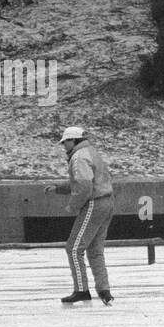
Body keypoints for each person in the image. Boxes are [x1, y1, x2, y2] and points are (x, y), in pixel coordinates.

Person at [44, 126, 115, 305]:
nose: (64, 146)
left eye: (65, 142)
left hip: (94, 203)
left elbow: (84, 186)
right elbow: (84, 181)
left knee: (74, 248)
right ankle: (104, 290)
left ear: (73, 140)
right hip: (107, 202)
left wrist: (73, 206)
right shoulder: (90, 152)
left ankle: (81, 290)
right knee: (95, 250)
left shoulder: (78, 157)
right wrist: (59, 188)